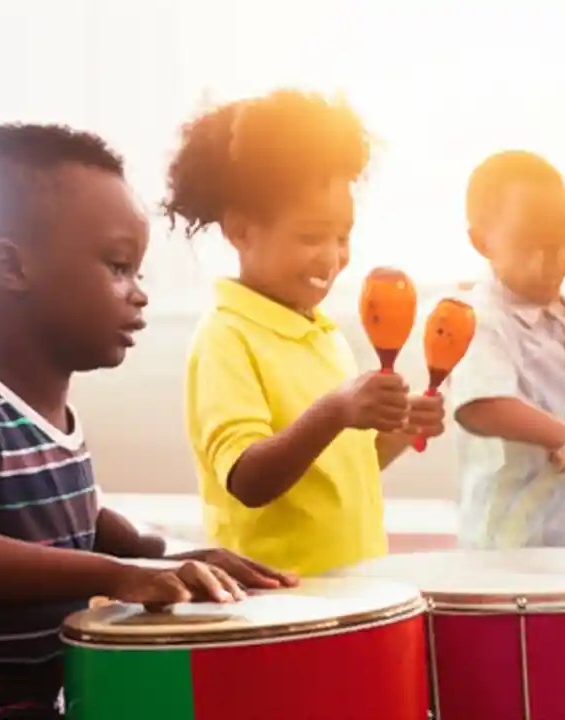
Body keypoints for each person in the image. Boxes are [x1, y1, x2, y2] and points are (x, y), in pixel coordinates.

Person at [0, 123, 295, 719]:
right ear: (12, 267)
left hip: (27, 697)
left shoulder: (51, 419)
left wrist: (170, 554)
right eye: (119, 266)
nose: (139, 294)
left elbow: (74, 516)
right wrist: (118, 573)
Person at [165, 89, 446, 577]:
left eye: (343, 236)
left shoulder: (323, 334)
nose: (332, 257)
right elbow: (248, 479)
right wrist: (337, 409)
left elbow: (337, 471)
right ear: (241, 231)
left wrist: (399, 432)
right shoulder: (226, 337)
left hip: (350, 594)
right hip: (278, 611)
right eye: (311, 237)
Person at [448, 150, 565, 550]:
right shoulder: (477, 317)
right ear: (482, 242)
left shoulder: (558, 315)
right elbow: (482, 405)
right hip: (504, 547)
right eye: (530, 245)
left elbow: (552, 423)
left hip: (559, 539)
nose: (552, 261)